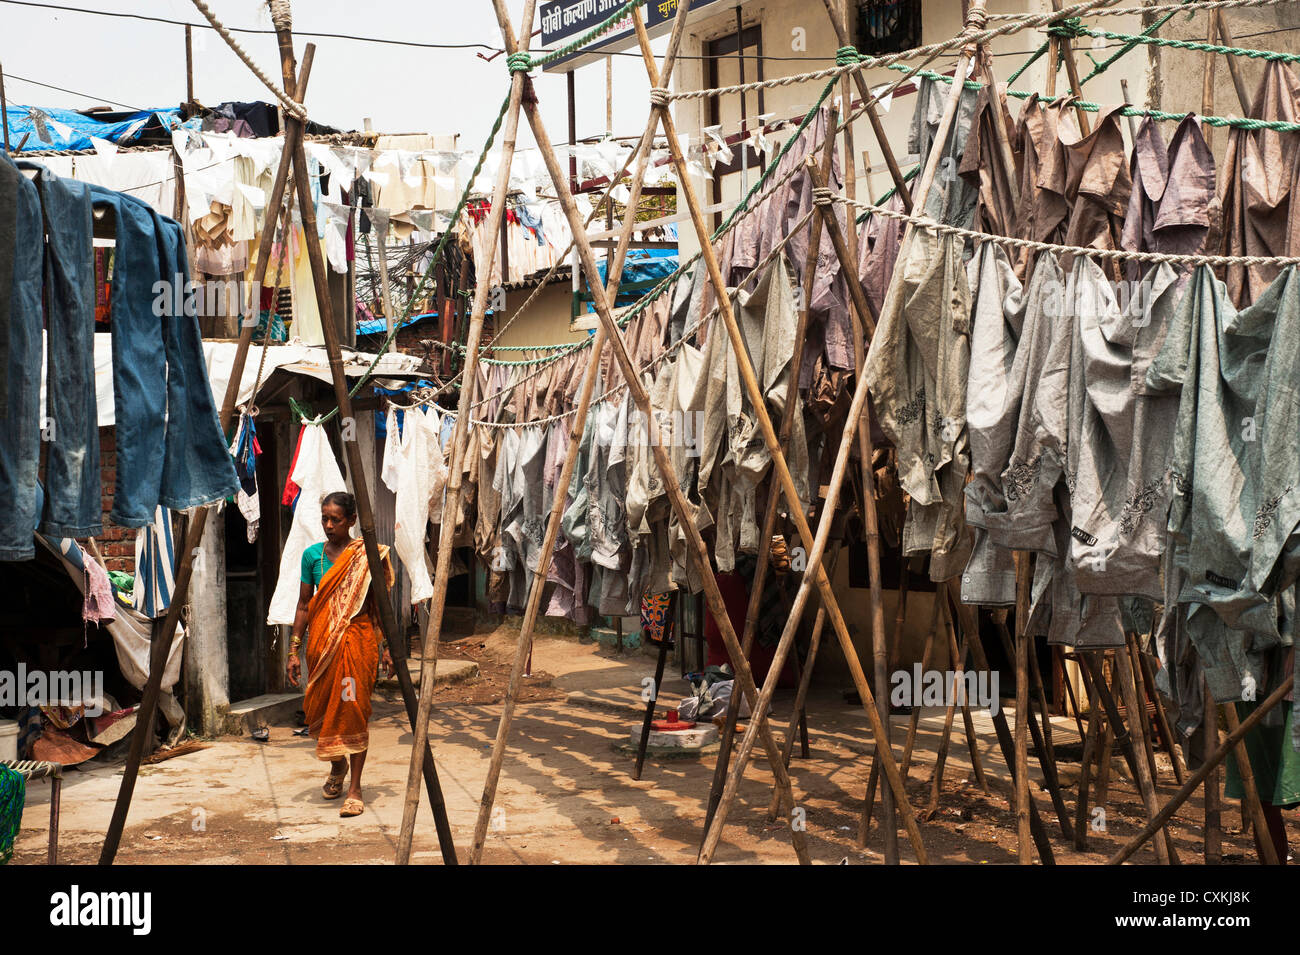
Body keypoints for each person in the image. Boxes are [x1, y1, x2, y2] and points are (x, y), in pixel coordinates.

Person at [287, 491, 395, 818]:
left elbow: (379, 606)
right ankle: (337, 765)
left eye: (336, 519)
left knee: (352, 710)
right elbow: (305, 605)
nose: (329, 525)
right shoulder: (312, 557)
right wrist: (293, 650)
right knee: (321, 711)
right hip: (321, 650)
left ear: (351, 521)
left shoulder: (367, 556)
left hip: (356, 645)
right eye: (325, 518)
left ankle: (355, 788)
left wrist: (388, 647)